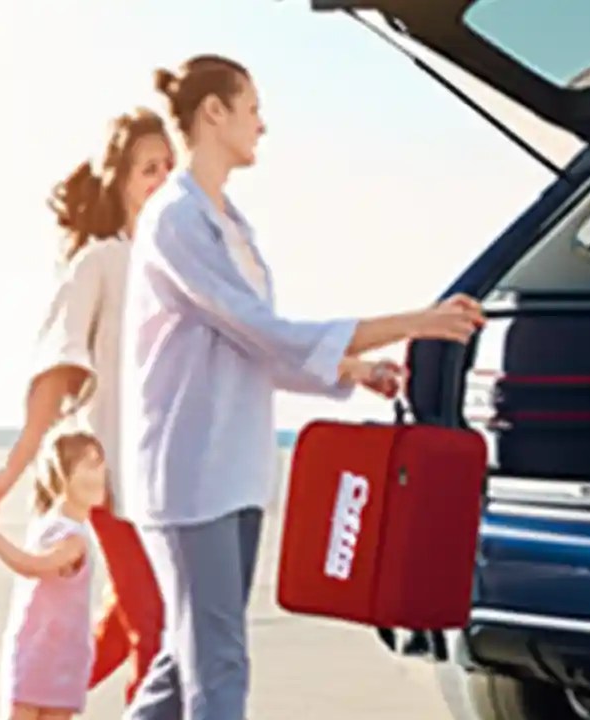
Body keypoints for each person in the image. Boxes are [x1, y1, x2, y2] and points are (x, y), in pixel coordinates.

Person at [119, 54, 487, 720]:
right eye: (252, 108)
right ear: (214, 112)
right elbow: (264, 329)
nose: (262, 124)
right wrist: (416, 322)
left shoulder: (231, 225)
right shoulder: (175, 219)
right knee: (217, 666)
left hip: (234, 472)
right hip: (189, 475)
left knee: (186, 662)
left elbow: (259, 349)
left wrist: (356, 370)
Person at [0, 109, 175, 704]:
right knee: (154, 626)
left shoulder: (174, 266)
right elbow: (57, 373)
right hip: (108, 478)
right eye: (148, 169)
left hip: (163, 478)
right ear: (121, 181)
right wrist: (14, 468)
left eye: (169, 167)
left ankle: (36, 703)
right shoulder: (100, 261)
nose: (162, 180)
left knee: (130, 619)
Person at [0, 421, 107, 720]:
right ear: (64, 473)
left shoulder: (52, 524)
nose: (101, 475)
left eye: (102, 466)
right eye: (91, 465)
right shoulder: (71, 537)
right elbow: (34, 566)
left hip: (54, 655)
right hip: (42, 655)